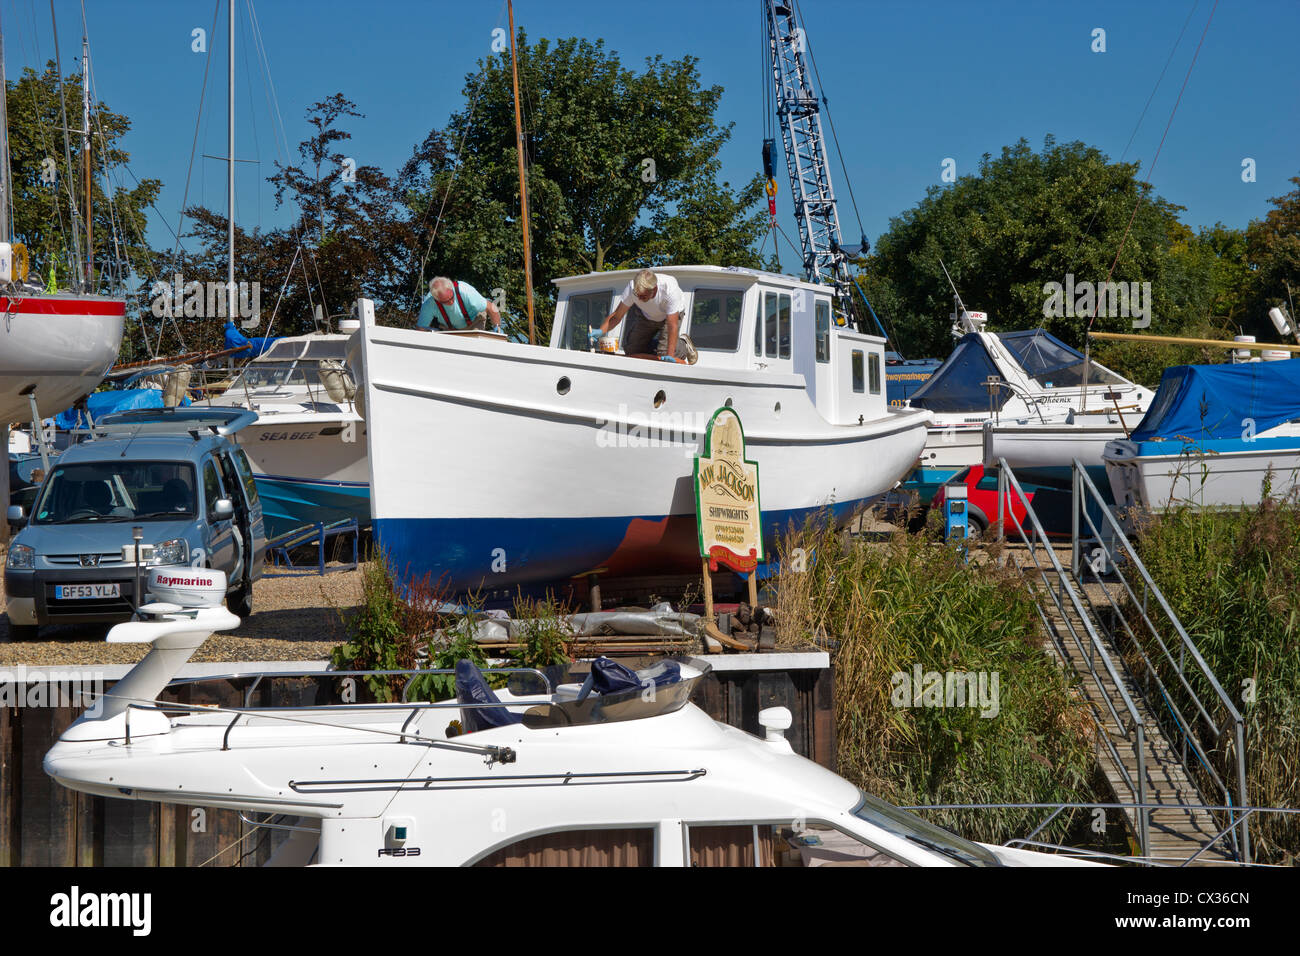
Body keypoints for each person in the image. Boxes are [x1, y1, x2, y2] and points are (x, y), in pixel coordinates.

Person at [592, 269, 695, 363]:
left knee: (665, 355)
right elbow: (617, 316)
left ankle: (683, 345)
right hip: (647, 315)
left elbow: (672, 325)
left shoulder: (669, 290)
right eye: (638, 295)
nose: (640, 299)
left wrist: (670, 355)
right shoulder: (632, 289)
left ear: (654, 289)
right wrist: (601, 331)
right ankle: (658, 348)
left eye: (644, 296)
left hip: (670, 317)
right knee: (632, 350)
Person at [417, 277, 503, 332]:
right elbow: (421, 328)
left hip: (474, 321)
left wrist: (497, 328)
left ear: (451, 288)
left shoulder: (464, 291)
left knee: (474, 349)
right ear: (436, 299)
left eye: (451, 298)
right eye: (445, 301)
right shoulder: (429, 304)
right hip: (449, 328)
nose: (451, 302)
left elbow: (491, 308)